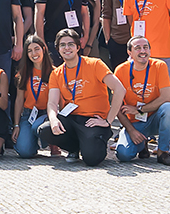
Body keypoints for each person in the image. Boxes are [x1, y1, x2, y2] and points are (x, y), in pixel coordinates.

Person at [43, 28, 126, 166]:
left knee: (92, 159)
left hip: (94, 119)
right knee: (45, 130)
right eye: (62, 45)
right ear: (58, 49)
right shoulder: (56, 73)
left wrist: (108, 120)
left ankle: (97, 140)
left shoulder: (95, 64)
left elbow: (119, 89)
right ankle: (74, 148)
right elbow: (52, 103)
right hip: (71, 117)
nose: (67, 48)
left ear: (78, 47)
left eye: (70, 44)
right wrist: (53, 119)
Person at [113, 36, 170, 166]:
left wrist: (139, 109)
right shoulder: (121, 70)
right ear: (129, 53)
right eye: (137, 48)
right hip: (135, 123)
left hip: (155, 119)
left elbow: (166, 98)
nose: (142, 51)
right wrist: (131, 130)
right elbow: (116, 106)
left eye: (145, 47)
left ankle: (163, 151)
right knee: (123, 155)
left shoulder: (159, 66)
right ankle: (142, 143)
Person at [12, 35, 56, 158]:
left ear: (44, 49)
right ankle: (32, 142)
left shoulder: (55, 72)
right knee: (25, 152)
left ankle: (52, 142)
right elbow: (19, 100)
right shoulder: (23, 73)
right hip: (29, 114)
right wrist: (16, 125)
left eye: (37, 49)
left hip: (47, 114)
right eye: (29, 51)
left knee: (38, 126)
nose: (34, 53)